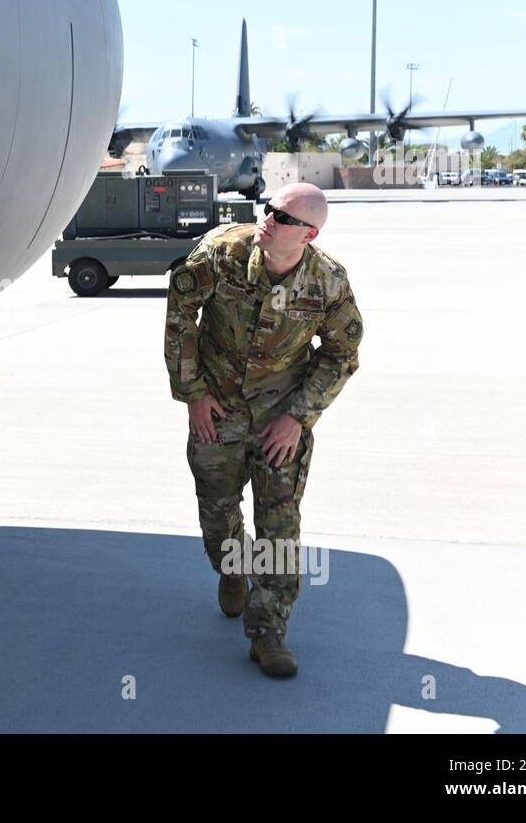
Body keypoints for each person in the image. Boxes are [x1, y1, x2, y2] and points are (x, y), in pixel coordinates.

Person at [164, 182, 362, 678]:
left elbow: (342, 354)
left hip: (280, 420)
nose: (268, 219)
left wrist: (299, 417)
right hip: (218, 409)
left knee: (279, 523)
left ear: (309, 233)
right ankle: (231, 570)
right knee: (217, 512)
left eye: (283, 217)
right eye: (269, 209)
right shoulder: (221, 252)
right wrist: (194, 394)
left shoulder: (327, 282)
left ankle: (268, 631)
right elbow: (181, 316)